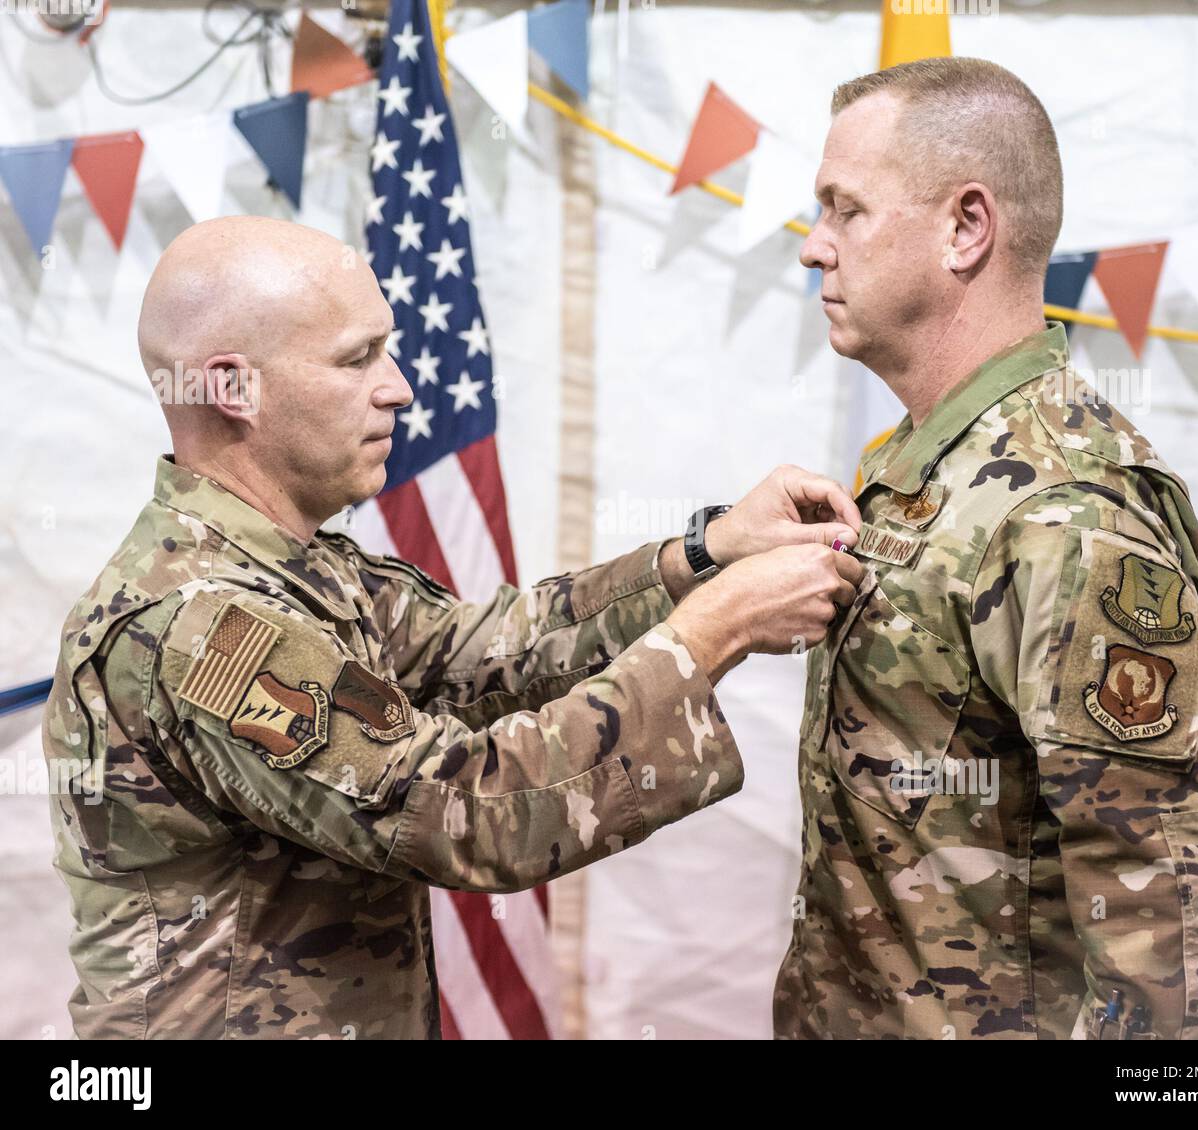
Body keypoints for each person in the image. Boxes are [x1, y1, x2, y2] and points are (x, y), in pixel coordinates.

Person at [42, 216, 865, 1039]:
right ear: (233, 390)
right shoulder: (202, 627)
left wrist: (703, 554)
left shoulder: (297, 570)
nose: (397, 386)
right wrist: (711, 634)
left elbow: (496, 653)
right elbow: (471, 808)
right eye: (356, 358)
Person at [775, 57, 1198, 1040]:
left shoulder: (1068, 509)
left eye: (845, 208)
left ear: (966, 227)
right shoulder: (925, 464)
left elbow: (1174, 934)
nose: (811, 247)